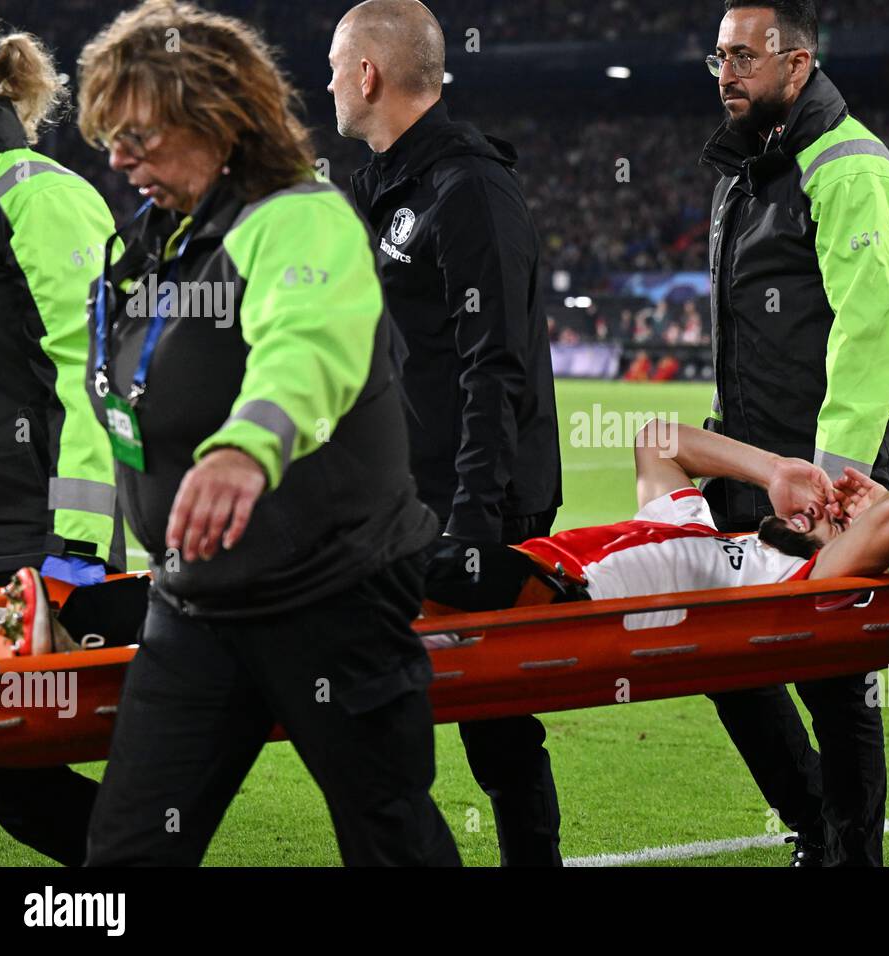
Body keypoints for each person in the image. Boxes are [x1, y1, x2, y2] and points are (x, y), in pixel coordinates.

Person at [74, 0, 457, 867]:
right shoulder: (157, 239)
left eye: (139, 137)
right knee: (125, 855)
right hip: (194, 601)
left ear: (219, 124)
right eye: (112, 137)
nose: (117, 159)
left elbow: (307, 347)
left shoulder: (299, 216)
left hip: (332, 595)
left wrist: (251, 444)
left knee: (390, 839)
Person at [329, 0, 565, 866]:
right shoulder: (385, 183)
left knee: (495, 718)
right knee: (390, 710)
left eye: (334, 66)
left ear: (368, 75)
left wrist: (472, 522)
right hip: (405, 494)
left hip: (477, 500)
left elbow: (492, 368)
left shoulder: (470, 190)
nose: (326, 85)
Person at [698, 0, 889, 865]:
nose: (726, 72)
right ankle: (817, 830)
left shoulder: (849, 167)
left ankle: (848, 853)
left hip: (829, 482)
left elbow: (872, 334)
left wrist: (834, 485)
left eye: (743, 56)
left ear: (796, 64)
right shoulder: (743, 173)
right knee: (727, 664)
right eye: (717, 56)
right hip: (756, 466)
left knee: (830, 678)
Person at [0, 3, 144, 869]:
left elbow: (96, 379)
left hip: (20, 547)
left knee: (13, 777)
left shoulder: (38, 196)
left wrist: (74, 546)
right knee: (3, 779)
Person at [428, 421, 889, 635]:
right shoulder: (695, 527)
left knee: (392, 560)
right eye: (824, 506)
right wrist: (774, 469)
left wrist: (870, 507)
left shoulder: (792, 581)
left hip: (557, 595)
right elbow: (656, 441)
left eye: (834, 524)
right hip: (522, 571)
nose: (820, 509)